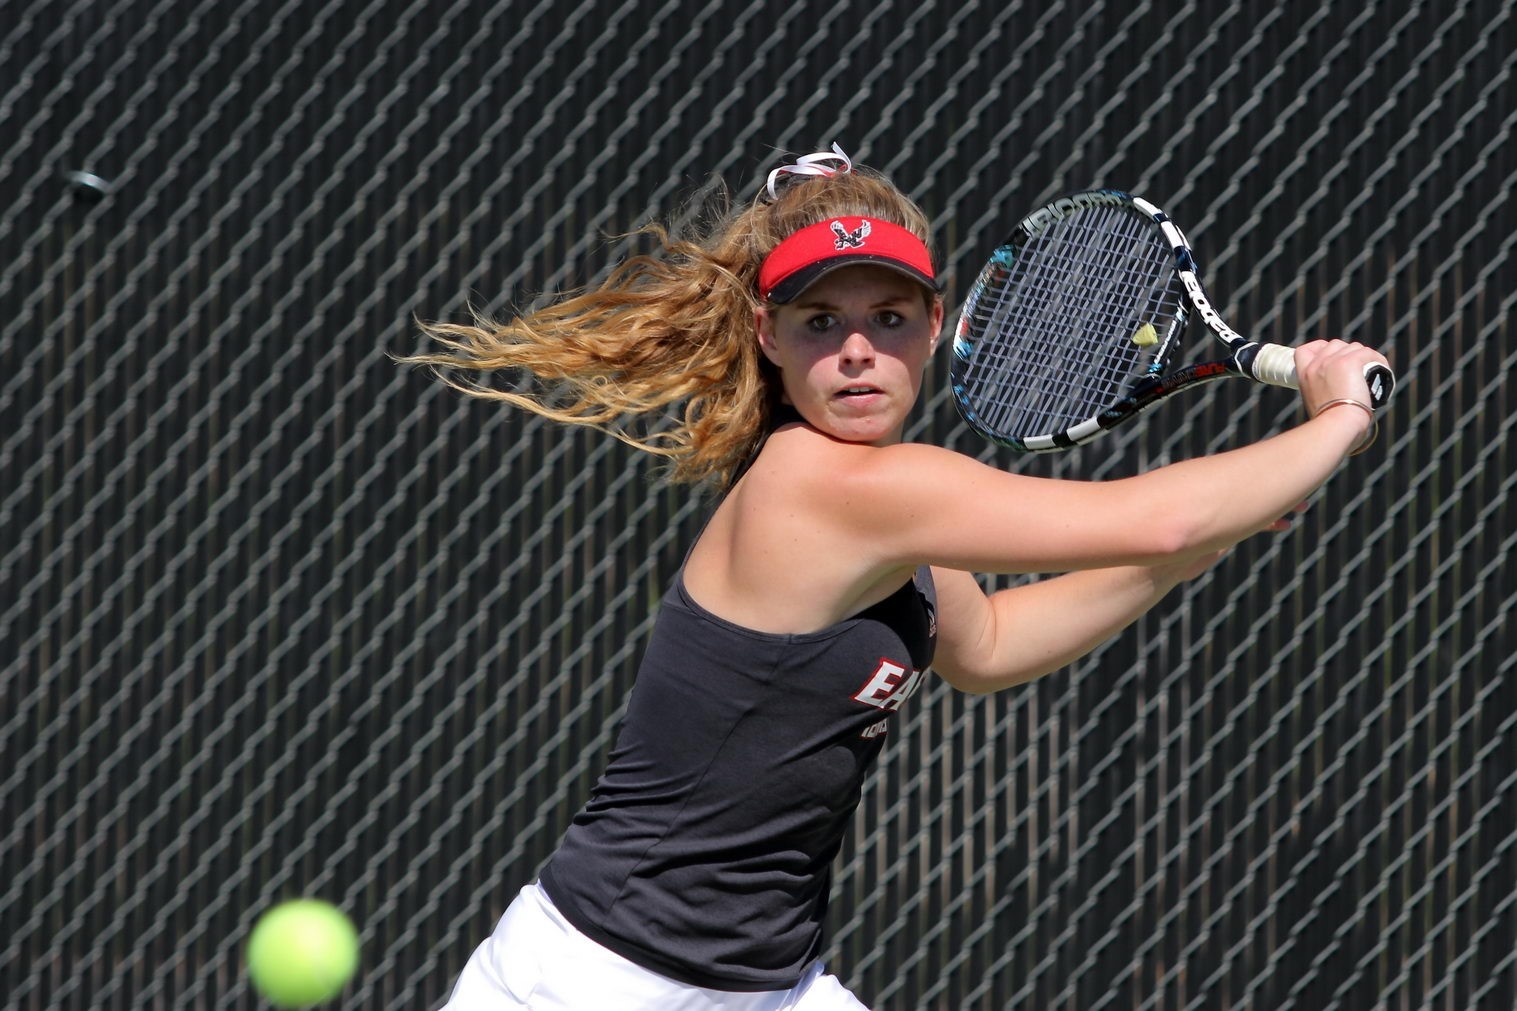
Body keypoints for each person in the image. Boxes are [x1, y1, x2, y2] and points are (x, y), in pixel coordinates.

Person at [406, 145, 1390, 1010]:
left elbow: (987, 649)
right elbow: (1163, 509)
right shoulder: (830, 489)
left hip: (767, 985)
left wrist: (1189, 556)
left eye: (884, 316)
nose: (856, 353)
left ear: (934, 323)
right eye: (818, 324)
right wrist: (1340, 413)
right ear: (766, 337)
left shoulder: (882, 508)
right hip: (594, 984)